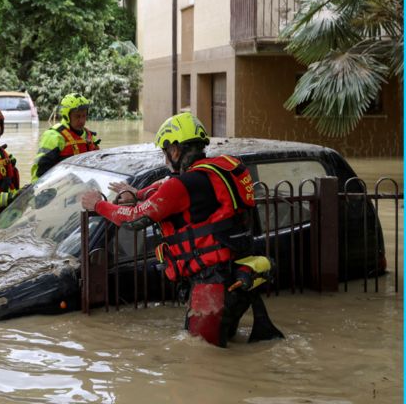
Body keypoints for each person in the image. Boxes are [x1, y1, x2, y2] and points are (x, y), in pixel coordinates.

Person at [79, 113, 284, 347]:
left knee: (202, 358)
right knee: (222, 346)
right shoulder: (215, 173)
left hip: (211, 286)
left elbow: (134, 220)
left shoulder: (183, 185)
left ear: (175, 150)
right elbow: (167, 189)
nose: (165, 158)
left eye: (165, 152)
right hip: (237, 276)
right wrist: (137, 193)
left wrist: (98, 204)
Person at [32, 93, 100, 181]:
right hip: (60, 186)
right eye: (77, 116)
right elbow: (40, 170)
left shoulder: (89, 136)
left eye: (84, 116)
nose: (82, 121)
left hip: (83, 185)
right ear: (67, 116)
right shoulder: (54, 136)